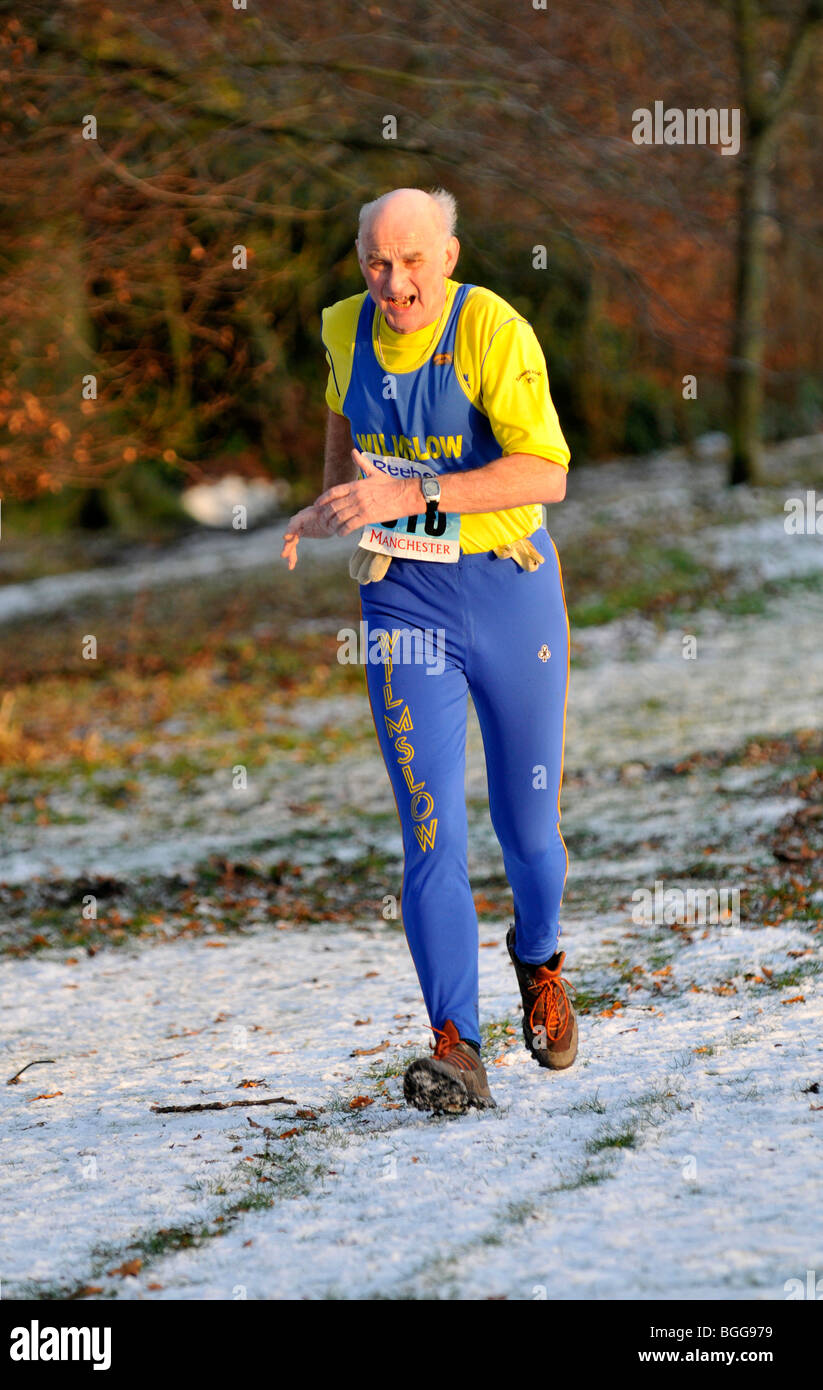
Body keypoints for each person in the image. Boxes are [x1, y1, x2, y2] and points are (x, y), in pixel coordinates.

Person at [281, 186, 577, 1115]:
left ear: (449, 257)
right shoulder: (342, 328)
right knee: (429, 831)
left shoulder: (491, 327)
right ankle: (456, 1046)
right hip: (403, 601)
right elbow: (344, 416)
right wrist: (336, 501)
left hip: (509, 589)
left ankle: (539, 959)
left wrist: (410, 496)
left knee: (526, 831)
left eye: (412, 261)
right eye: (376, 261)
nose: (393, 281)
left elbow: (546, 473)